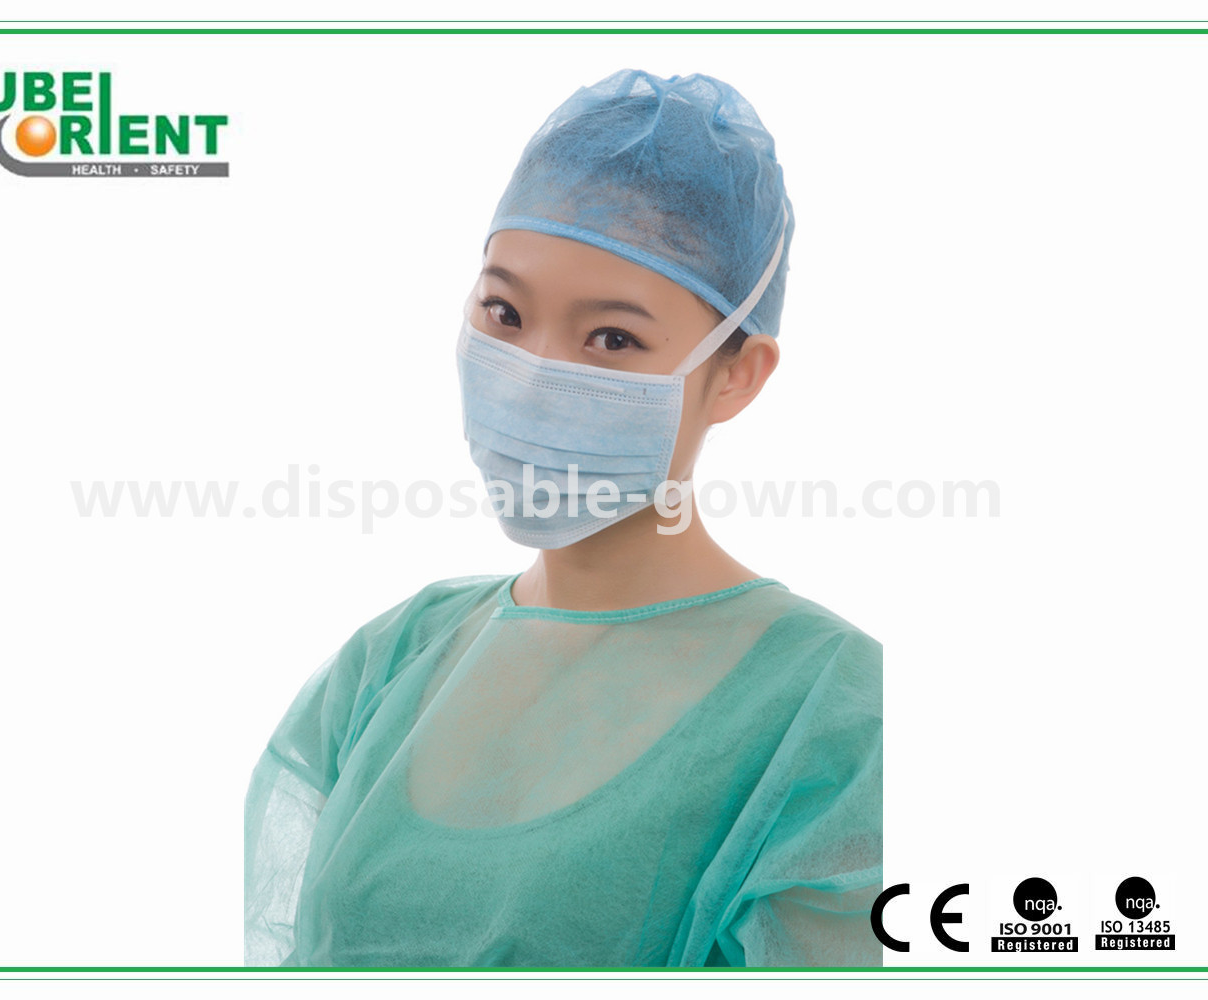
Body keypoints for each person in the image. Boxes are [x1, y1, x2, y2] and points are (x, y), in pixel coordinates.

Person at [244, 67, 883, 969]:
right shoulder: (395, 660)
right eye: (504, 312)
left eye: (613, 338)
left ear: (736, 375)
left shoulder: (832, 714)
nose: (532, 376)